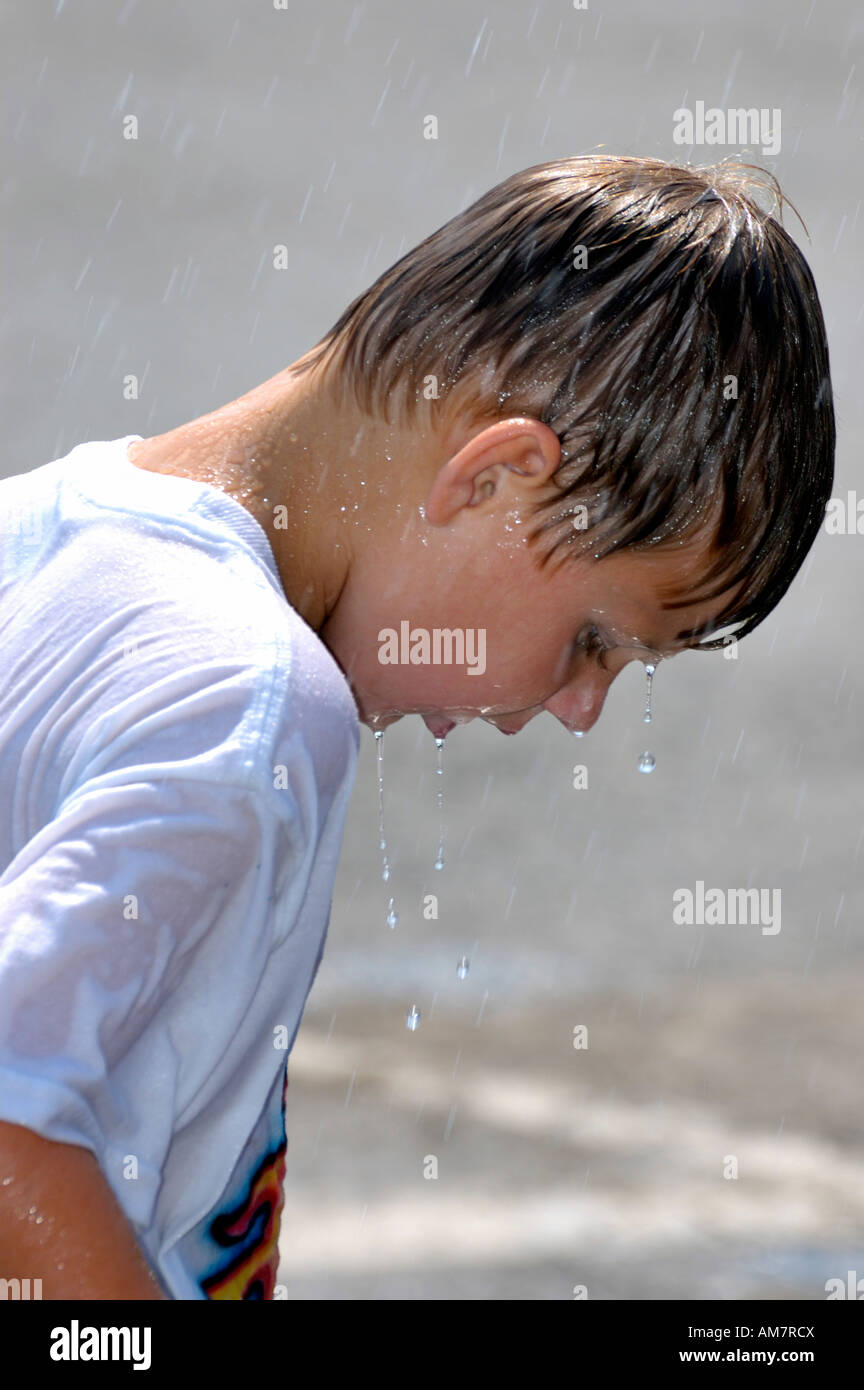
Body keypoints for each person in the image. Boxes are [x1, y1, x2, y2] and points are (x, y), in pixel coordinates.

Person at [0, 154, 835, 1299]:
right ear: (496, 475)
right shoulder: (255, 708)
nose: (582, 710)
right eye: (602, 639)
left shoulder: (41, 526)